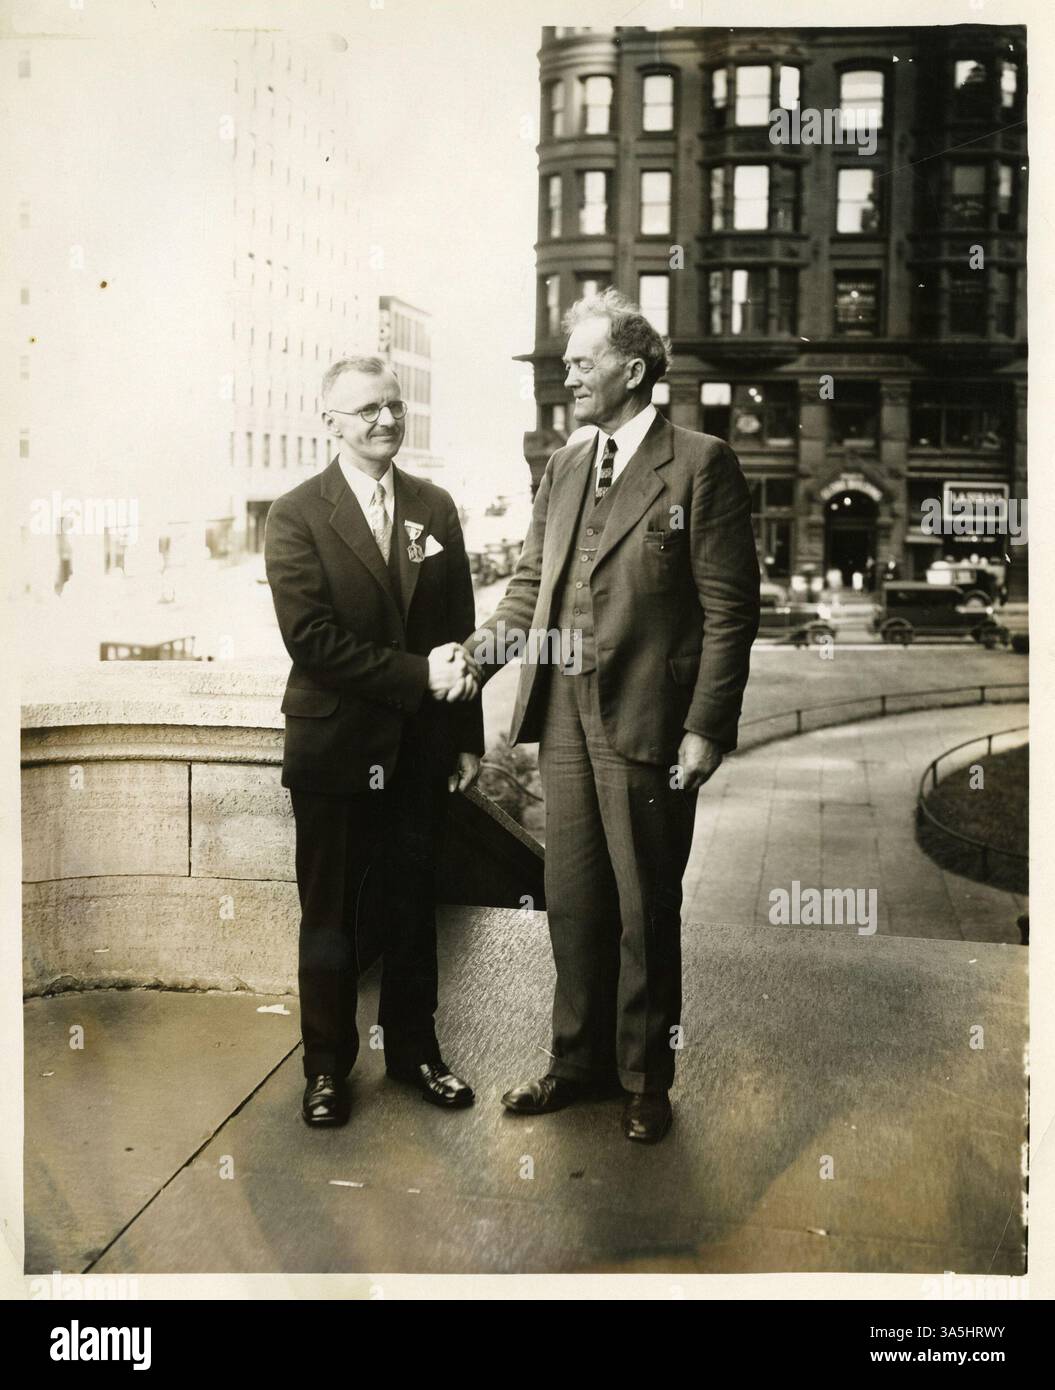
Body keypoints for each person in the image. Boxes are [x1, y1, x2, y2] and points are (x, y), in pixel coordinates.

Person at [465, 290, 760, 1143]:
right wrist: (475, 659)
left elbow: (730, 609)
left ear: (632, 371)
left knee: (644, 907)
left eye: (580, 363)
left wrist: (706, 726)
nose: (566, 376)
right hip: (562, 711)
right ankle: (575, 1063)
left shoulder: (701, 464)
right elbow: (531, 585)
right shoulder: (563, 464)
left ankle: (644, 1079)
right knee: (573, 900)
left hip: (648, 718)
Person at [264, 356, 482, 1128]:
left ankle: (417, 1053)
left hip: (420, 748)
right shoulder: (294, 515)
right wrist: (420, 677)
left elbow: (456, 630)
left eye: (393, 407)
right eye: (367, 412)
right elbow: (313, 641)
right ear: (330, 423)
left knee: (412, 904)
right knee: (328, 918)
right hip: (334, 751)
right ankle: (325, 1070)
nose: (387, 421)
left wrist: (464, 737)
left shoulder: (434, 506)